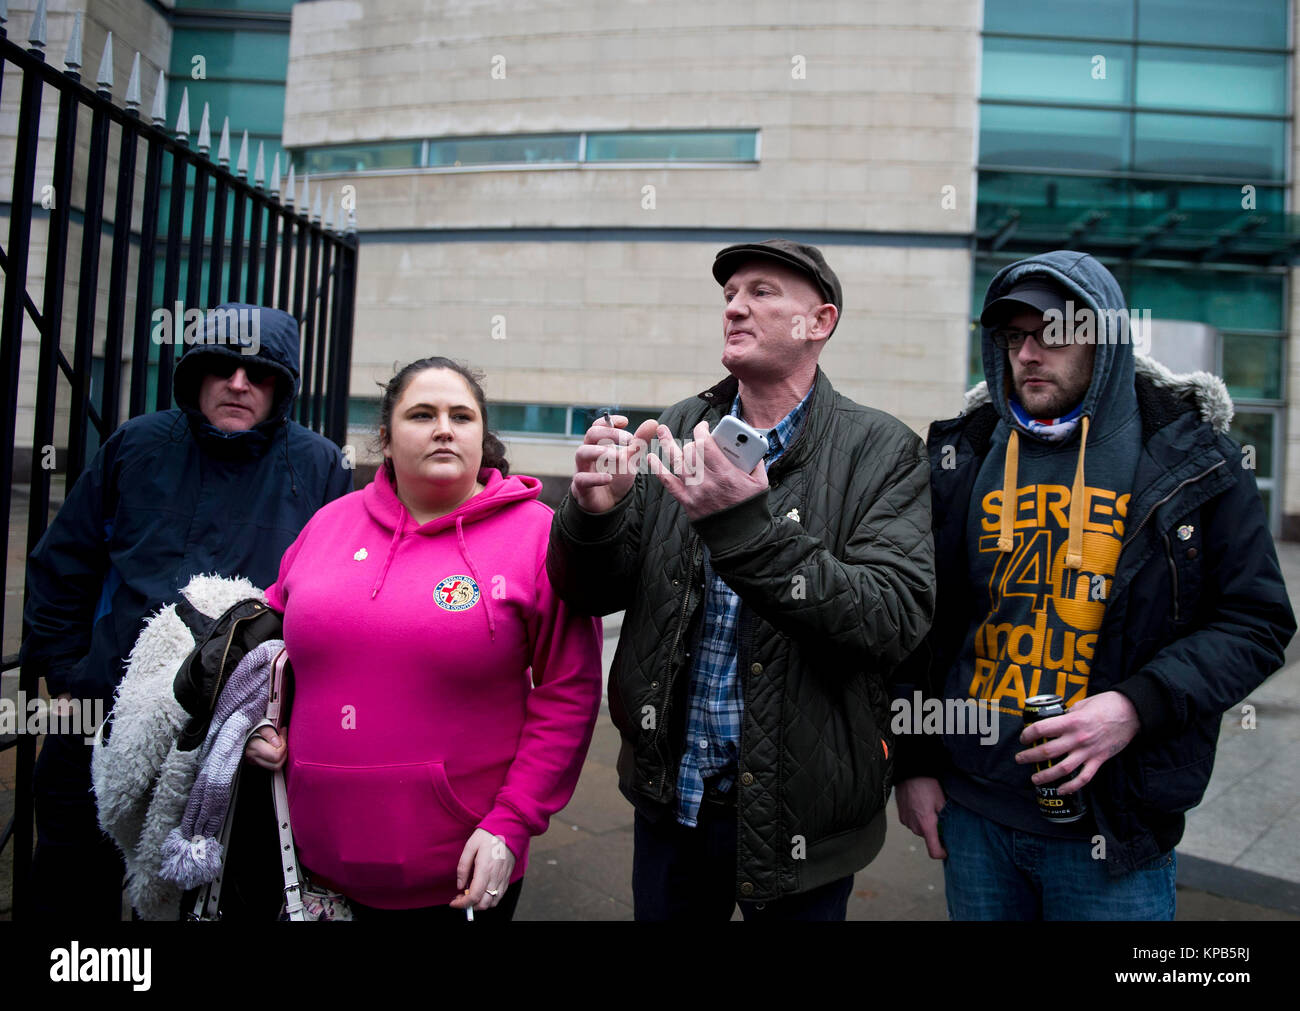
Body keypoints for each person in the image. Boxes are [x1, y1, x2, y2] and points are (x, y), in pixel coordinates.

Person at [893, 250, 1296, 920]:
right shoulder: (962, 454)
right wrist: (913, 761)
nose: (1028, 353)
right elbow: (919, 620)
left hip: (1113, 826)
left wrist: (1136, 705)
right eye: (1014, 337)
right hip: (974, 813)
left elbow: (1256, 622)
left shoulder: (1189, 456)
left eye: (1052, 333)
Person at [547, 238, 936, 920]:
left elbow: (889, 619)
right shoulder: (679, 428)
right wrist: (592, 515)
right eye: (729, 295)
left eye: (761, 292)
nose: (735, 307)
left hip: (798, 816)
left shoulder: (882, 450)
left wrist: (745, 528)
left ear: (821, 321)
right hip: (673, 799)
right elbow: (589, 593)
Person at [21, 303, 354, 920]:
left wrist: (294, 716)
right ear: (195, 374)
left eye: (259, 373)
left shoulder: (319, 467)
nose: (238, 383)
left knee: (212, 891)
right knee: (71, 873)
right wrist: (68, 676)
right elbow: (62, 565)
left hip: (237, 730)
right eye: (222, 367)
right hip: (109, 708)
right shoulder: (137, 445)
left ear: (281, 386)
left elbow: (341, 600)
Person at [244, 357, 603, 920]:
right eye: (421, 414)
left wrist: (512, 822)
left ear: (482, 439)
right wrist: (254, 722)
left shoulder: (538, 536)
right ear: (385, 439)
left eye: (461, 415)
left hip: (460, 871)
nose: (443, 427)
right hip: (309, 864)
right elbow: (264, 650)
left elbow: (569, 690)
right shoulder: (328, 525)